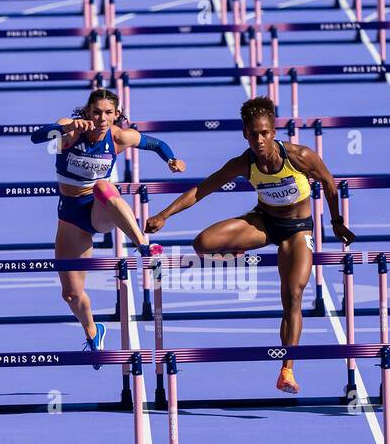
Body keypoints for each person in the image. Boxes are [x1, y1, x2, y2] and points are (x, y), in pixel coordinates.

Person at [146, 96, 355, 393]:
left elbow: (330, 183)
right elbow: (201, 191)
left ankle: (287, 370)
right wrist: (164, 215)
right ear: (245, 133)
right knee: (203, 243)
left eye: (264, 133)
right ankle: (238, 249)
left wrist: (336, 222)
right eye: (253, 134)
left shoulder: (300, 156)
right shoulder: (244, 163)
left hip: (297, 230)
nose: (259, 140)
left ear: (274, 132)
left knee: (293, 295)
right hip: (264, 223)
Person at [30, 88, 184, 360]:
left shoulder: (119, 137)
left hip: (99, 209)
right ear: (87, 112)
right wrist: (66, 128)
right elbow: (36, 137)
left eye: (108, 113)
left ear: (116, 115)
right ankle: (92, 332)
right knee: (71, 294)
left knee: (103, 185)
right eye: (97, 112)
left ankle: (144, 246)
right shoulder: (68, 129)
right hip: (70, 217)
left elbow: (155, 144)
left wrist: (171, 159)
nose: (102, 118)